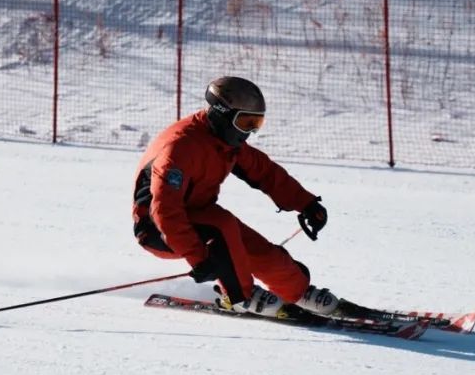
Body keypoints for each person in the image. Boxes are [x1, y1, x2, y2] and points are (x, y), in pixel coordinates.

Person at [131, 75, 338, 317]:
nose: (250, 132)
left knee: (256, 247)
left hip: (201, 216)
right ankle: (239, 297)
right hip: (156, 229)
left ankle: (298, 292)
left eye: (256, 123)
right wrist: (198, 257)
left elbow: (265, 172)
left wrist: (306, 203)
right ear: (222, 114)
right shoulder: (180, 148)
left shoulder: (226, 142)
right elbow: (164, 211)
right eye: (245, 122)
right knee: (223, 227)